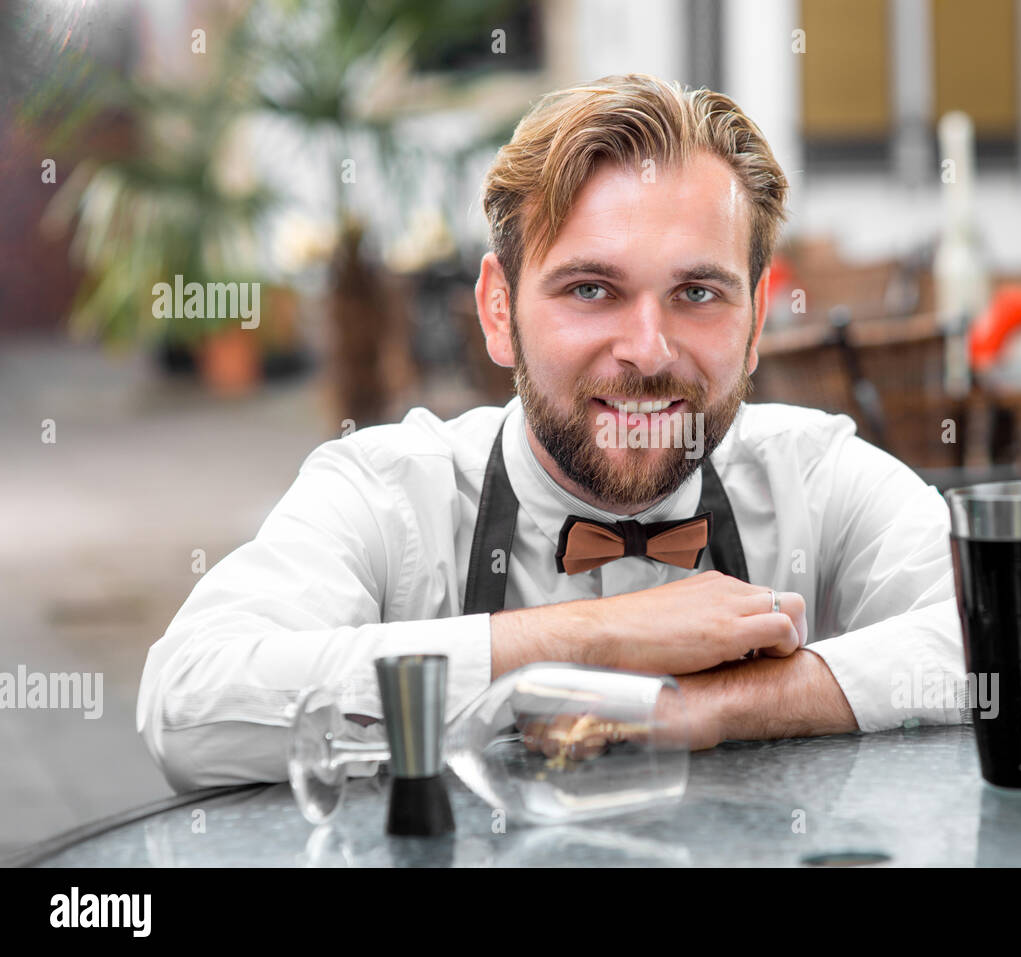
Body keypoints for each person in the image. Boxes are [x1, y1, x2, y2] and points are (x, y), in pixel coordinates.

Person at [137, 73, 971, 792]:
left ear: (755, 326)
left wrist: (704, 705)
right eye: (591, 290)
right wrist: (595, 638)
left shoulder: (815, 474)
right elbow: (188, 704)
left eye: (697, 294)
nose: (648, 351)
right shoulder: (389, 491)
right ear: (499, 311)